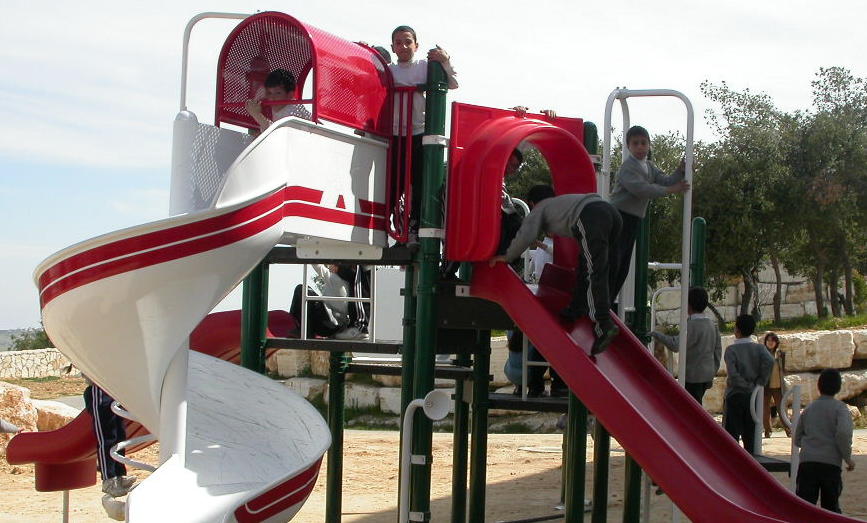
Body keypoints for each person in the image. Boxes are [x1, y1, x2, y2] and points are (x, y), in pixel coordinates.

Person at [489, 185, 622, 355]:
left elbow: (525, 235)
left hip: (590, 216)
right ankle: (575, 308)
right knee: (590, 265)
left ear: (532, 203)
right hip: (612, 214)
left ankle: (603, 323)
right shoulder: (562, 203)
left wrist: (506, 256)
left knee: (593, 270)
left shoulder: (540, 209)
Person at [389, 25, 458, 244]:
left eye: (408, 41)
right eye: (398, 42)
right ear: (392, 47)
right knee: (392, 184)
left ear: (416, 45)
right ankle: (386, 226)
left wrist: (445, 61)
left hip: (418, 132)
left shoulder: (424, 67)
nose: (403, 46)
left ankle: (413, 227)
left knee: (419, 183)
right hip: (393, 134)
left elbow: (453, 83)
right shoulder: (388, 70)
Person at [609, 125, 689, 298]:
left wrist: (680, 171)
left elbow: (665, 180)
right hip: (618, 216)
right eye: (635, 143)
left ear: (649, 145)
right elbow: (642, 189)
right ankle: (602, 303)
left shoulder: (649, 166)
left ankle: (607, 302)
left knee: (623, 265)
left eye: (643, 143)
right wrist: (672, 190)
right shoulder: (627, 168)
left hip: (632, 219)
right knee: (614, 262)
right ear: (628, 146)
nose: (640, 147)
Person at [794, 368, 854, 513]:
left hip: (807, 463)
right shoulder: (841, 409)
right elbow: (843, 434)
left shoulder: (809, 408)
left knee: (804, 507)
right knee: (830, 507)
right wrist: (847, 458)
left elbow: (797, 438)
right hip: (831, 464)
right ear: (838, 387)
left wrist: (811, 446)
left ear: (819, 386)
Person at [649, 287, 722, 404]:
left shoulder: (690, 326)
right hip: (707, 374)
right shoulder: (712, 325)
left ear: (688, 305)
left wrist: (656, 334)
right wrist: (713, 369)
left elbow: (675, 345)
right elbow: (717, 350)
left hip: (692, 376)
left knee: (692, 407)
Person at [722, 314, 774, 453]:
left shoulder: (731, 350)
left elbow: (733, 375)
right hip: (754, 396)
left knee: (731, 435)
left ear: (736, 330)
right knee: (750, 434)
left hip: (735, 395)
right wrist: (760, 381)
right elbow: (770, 361)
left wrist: (744, 385)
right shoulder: (760, 349)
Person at [84, 381, 136, 498]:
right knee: (106, 437)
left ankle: (120, 475)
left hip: (113, 389)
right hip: (100, 389)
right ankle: (109, 479)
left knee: (119, 434)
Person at [289, 264, 351, 338]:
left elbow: (317, 265)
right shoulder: (349, 282)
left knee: (301, 289)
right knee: (310, 295)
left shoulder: (335, 279)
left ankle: (295, 325)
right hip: (336, 325)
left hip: (328, 324)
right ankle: (301, 327)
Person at [245, 69, 312, 133]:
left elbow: (278, 134)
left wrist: (257, 115)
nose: (272, 98)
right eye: (269, 93)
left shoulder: (293, 110)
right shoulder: (280, 107)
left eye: (278, 93)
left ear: (290, 95)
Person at [333, 264, 371, 340]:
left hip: (363, 258)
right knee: (357, 285)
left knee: (359, 286)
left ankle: (360, 327)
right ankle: (357, 327)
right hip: (361, 261)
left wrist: (338, 268)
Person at [762, 331, 789, 437]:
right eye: (768, 340)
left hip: (778, 386)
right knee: (765, 409)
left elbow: (783, 369)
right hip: (765, 386)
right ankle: (767, 431)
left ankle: (788, 430)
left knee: (782, 409)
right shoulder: (762, 353)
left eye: (772, 340)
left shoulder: (780, 354)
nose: (770, 342)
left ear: (776, 342)